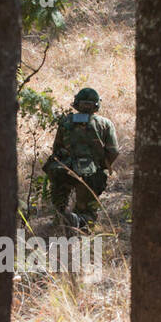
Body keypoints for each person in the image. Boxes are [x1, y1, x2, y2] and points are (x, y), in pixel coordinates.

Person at [44, 88, 119, 230]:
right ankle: (79, 222)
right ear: (96, 105)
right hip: (89, 173)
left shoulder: (65, 121)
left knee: (60, 205)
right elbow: (113, 151)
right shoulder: (105, 124)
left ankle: (63, 219)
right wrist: (100, 165)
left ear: (77, 103)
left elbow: (57, 148)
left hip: (63, 170)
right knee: (88, 212)